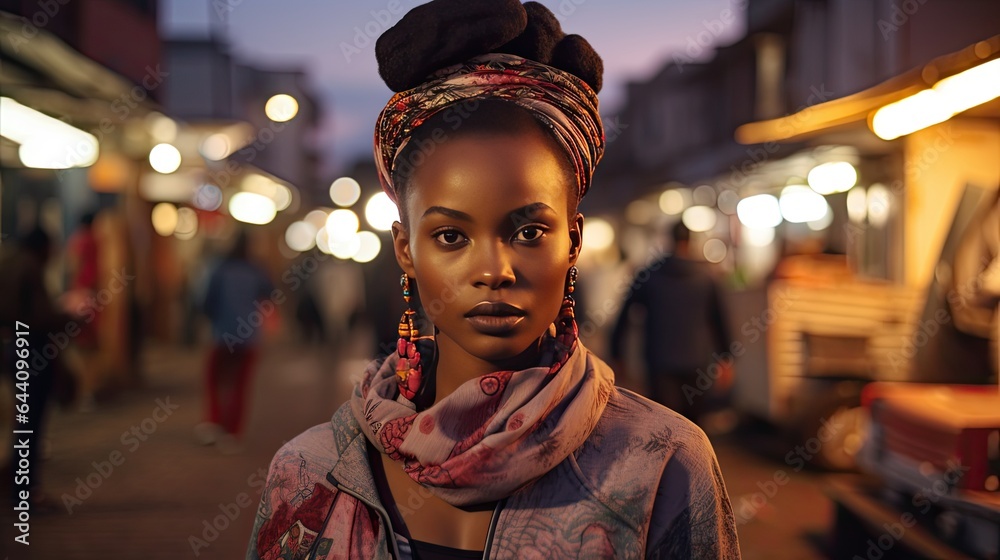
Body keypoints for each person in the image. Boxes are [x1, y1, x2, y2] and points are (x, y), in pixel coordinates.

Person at [247, 1, 740, 558]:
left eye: (529, 232)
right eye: (451, 237)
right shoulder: (310, 475)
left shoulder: (662, 465)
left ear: (573, 241)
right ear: (405, 249)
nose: (494, 271)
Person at [610, 221, 733, 423]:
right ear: (690, 242)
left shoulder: (649, 275)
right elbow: (718, 319)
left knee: (665, 425)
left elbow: (624, 315)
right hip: (698, 362)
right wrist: (726, 358)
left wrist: (617, 353)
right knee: (695, 426)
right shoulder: (706, 277)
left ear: (670, 239)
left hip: (659, 362)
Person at [0, 228, 66, 512]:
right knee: (30, 425)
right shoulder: (30, 268)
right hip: (31, 350)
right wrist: (67, 315)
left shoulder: (10, 262)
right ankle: (25, 493)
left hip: (13, 348)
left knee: (20, 423)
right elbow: (40, 317)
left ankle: (20, 491)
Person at [198, 232, 274, 452]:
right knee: (240, 385)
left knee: (215, 379)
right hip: (249, 336)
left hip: (221, 334)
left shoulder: (220, 268)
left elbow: (206, 301)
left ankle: (213, 422)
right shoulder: (256, 269)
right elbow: (270, 293)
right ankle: (232, 432)